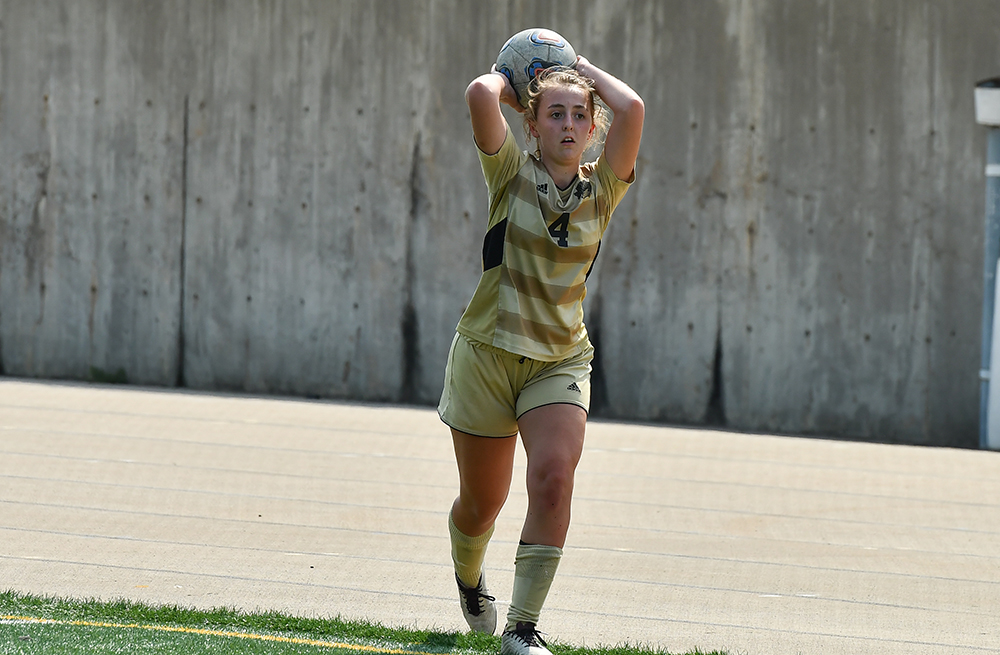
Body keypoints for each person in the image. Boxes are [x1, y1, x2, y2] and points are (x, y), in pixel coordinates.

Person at [438, 53, 644, 655]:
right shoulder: (510, 174)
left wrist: (578, 65)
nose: (569, 125)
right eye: (555, 114)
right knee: (483, 505)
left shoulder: (603, 190)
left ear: (591, 128)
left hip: (558, 360)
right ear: (533, 126)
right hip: (486, 355)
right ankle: (470, 575)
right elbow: (480, 91)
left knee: (554, 479)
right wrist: (517, 75)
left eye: (580, 115)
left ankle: (522, 630)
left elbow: (630, 108)